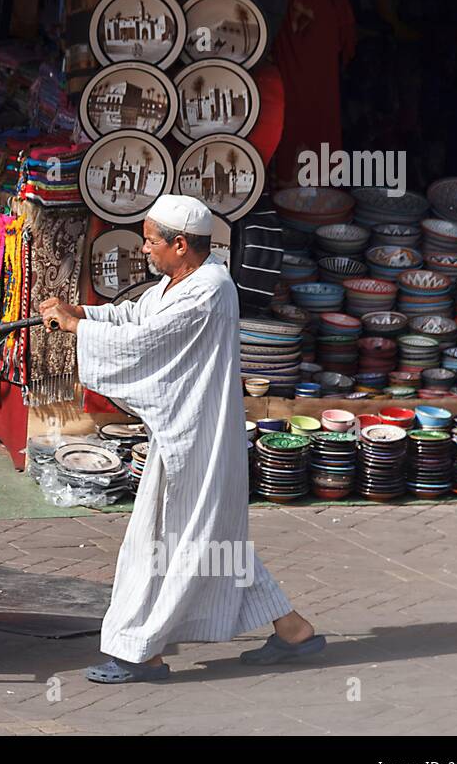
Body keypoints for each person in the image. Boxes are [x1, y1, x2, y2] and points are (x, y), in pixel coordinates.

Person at [39, 196, 323, 683]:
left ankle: (143, 650)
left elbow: (146, 342)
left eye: (151, 240)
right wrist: (81, 313)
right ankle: (293, 630)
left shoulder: (209, 288)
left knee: (168, 539)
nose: (145, 249)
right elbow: (135, 319)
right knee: (212, 537)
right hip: (185, 432)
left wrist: (77, 327)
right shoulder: (180, 280)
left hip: (195, 439)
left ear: (180, 244)